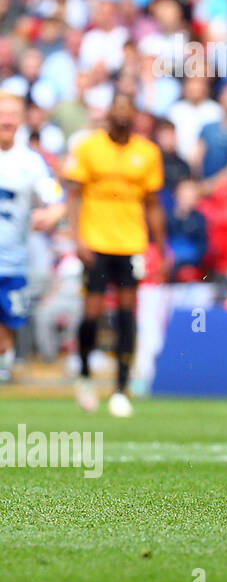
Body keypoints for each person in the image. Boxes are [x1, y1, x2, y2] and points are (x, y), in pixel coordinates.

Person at [64, 93, 167, 416]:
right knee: (92, 312)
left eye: (127, 109)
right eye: (117, 108)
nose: (122, 114)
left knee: (127, 313)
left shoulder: (147, 152)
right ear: (108, 114)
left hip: (131, 243)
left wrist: (161, 247)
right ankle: (84, 375)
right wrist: (76, 236)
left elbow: (152, 203)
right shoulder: (89, 147)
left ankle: (121, 387)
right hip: (95, 240)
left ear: (134, 115)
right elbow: (74, 194)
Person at [0, 92, 64, 382]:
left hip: (12, 263)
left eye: (12, 114)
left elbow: (57, 201)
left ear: (22, 119)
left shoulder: (31, 162)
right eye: (2, 113)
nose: (6, 119)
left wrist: (51, 215)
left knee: (5, 335)